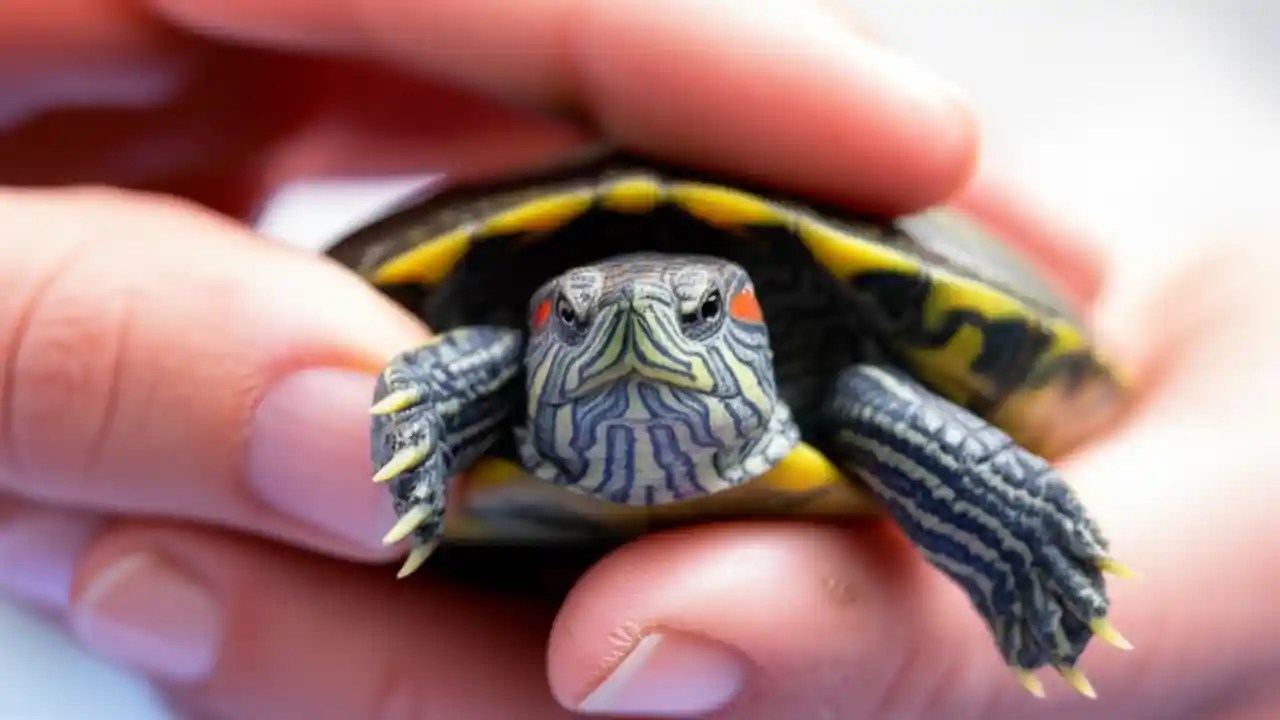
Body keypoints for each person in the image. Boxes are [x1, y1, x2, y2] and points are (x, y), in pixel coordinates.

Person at [0, 1, 1275, 718]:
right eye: (572, 321)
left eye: (699, 317)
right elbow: (344, 391)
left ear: (755, 326)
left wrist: (1025, 551)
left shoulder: (841, 386)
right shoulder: (471, 365)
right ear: (532, 332)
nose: (633, 331)